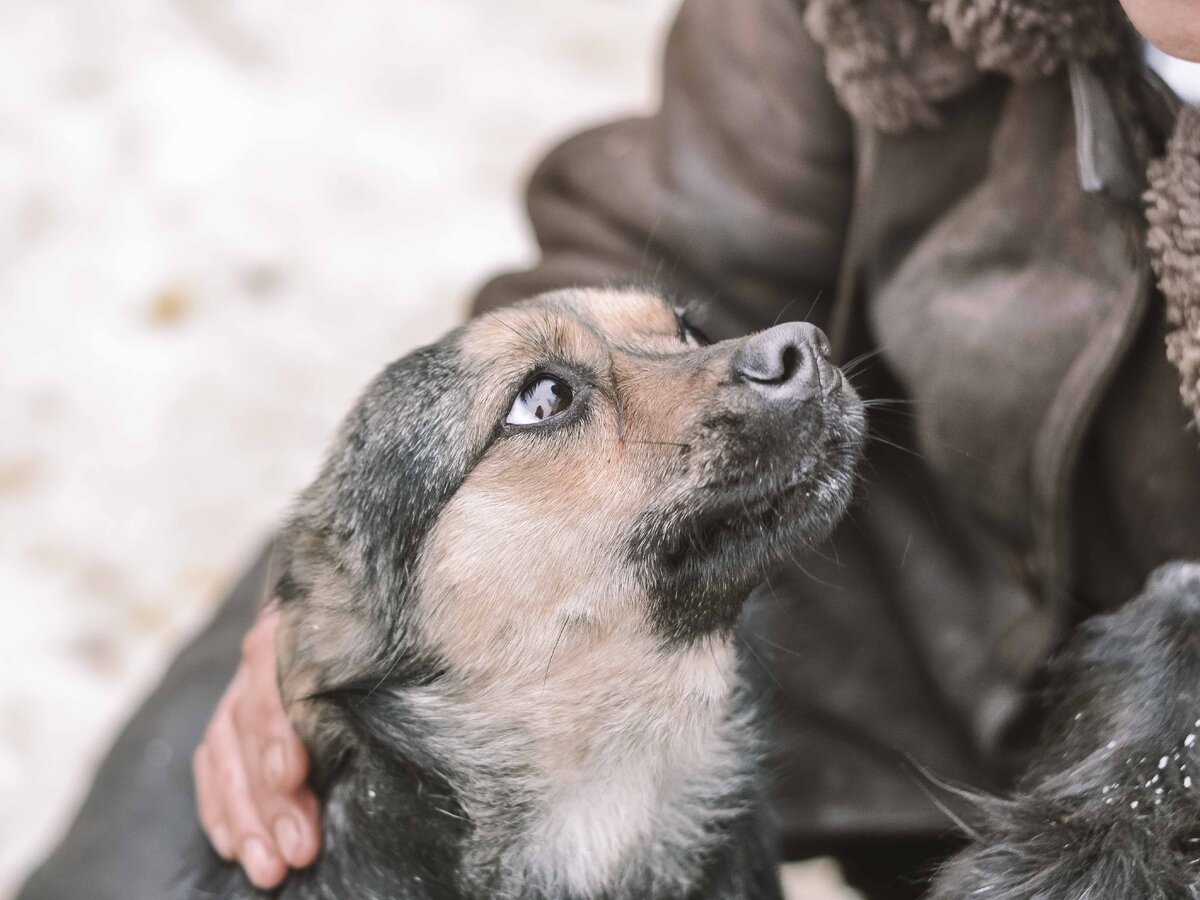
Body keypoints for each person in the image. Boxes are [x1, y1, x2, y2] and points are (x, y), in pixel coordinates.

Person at [19, 0, 1200, 898]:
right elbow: (687, 255)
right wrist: (290, 658)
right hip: (916, 587)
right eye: (553, 402)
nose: (762, 352)